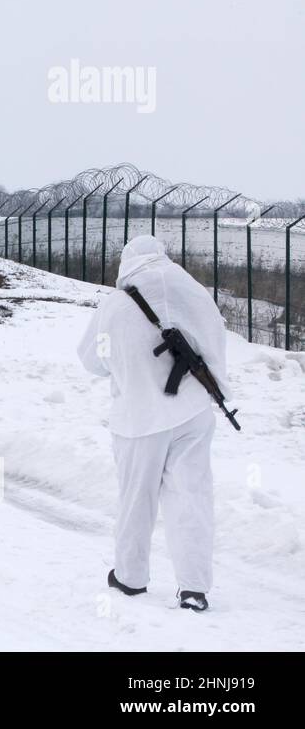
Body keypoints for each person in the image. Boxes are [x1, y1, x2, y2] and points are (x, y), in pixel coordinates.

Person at [77, 234, 230, 612]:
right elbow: (216, 339)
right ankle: (194, 588)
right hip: (192, 412)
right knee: (191, 498)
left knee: (136, 498)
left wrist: (129, 364)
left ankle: (130, 577)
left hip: (138, 418)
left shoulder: (115, 304)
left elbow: (91, 359)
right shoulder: (192, 290)